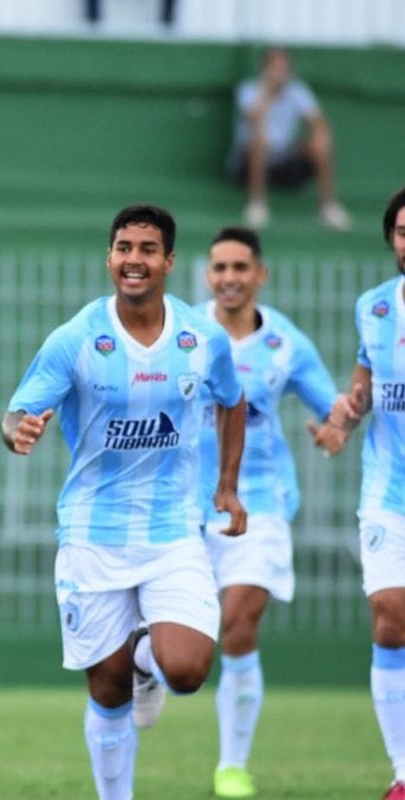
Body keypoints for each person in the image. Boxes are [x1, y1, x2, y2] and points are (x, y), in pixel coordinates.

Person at [1, 204, 247, 800]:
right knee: (108, 690)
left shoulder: (201, 338)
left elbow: (233, 401)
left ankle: (148, 659)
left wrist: (227, 486)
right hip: (92, 534)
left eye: (146, 249)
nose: (133, 260)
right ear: (110, 257)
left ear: (168, 261)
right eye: (123, 248)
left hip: (172, 531)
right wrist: (20, 431)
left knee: (187, 670)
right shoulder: (77, 339)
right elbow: (16, 412)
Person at [195, 225, 338, 799]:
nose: (229, 278)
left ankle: (232, 765)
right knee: (179, 641)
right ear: (208, 275)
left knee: (238, 624)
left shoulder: (286, 343)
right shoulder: (187, 331)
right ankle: (147, 674)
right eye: (220, 268)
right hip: (181, 506)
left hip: (264, 504)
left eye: (240, 267)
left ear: (260, 275)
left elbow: (332, 409)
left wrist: (333, 429)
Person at [313, 187, 405, 800]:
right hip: (388, 491)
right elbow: (363, 388)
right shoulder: (373, 307)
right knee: (390, 616)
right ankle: (403, 773)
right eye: (403, 230)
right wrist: (340, 422)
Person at [226, 46, 350, 231]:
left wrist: (318, 136)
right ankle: (257, 205)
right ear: (264, 68)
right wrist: (266, 91)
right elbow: (252, 118)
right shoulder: (249, 90)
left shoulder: (297, 91)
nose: (279, 72)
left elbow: (318, 122)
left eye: (283, 67)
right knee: (259, 142)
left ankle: (329, 208)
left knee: (320, 141)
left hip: (284, 163)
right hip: (247, 165)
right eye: (274, 67)